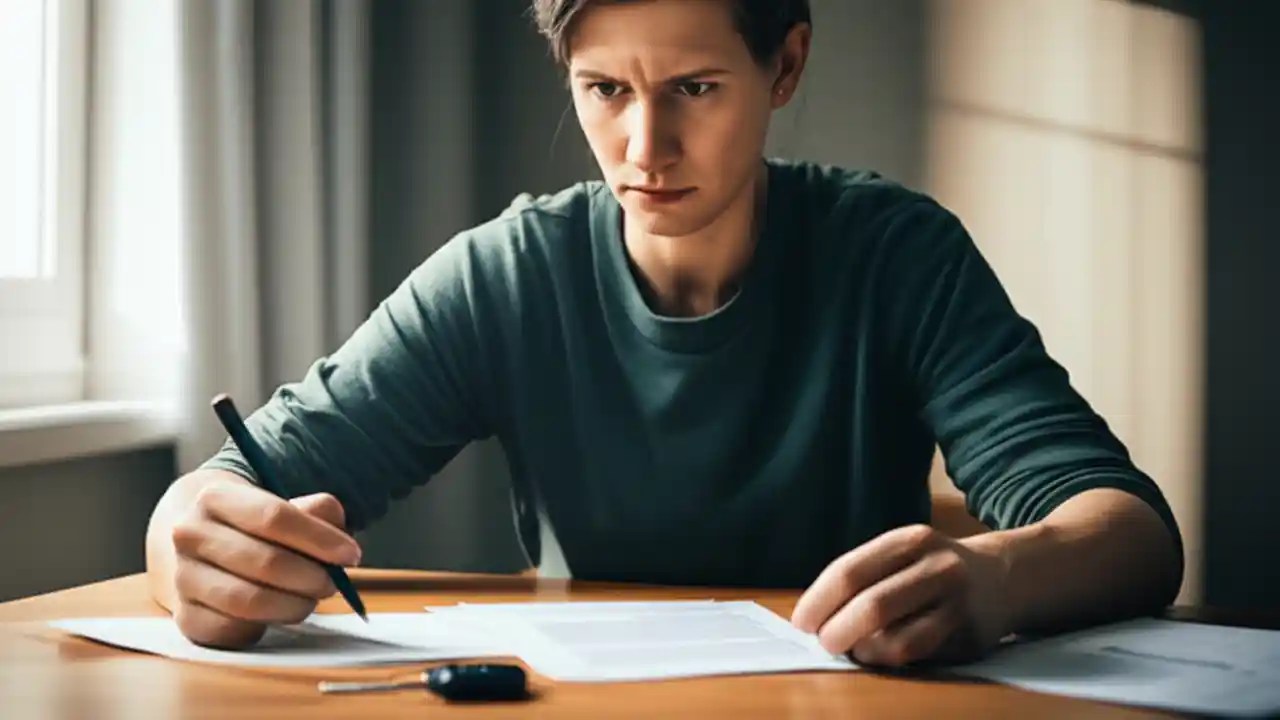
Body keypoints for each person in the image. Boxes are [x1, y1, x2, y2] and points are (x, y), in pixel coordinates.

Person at [145, 0, 1183, 667]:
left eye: (693, 88)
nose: (645, 147)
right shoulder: (508, 273)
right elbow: (231, 487)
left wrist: (995, 575)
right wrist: (188, 535)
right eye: (604, 90)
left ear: (783, 67)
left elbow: (1129, 533)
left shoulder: (891, 253)